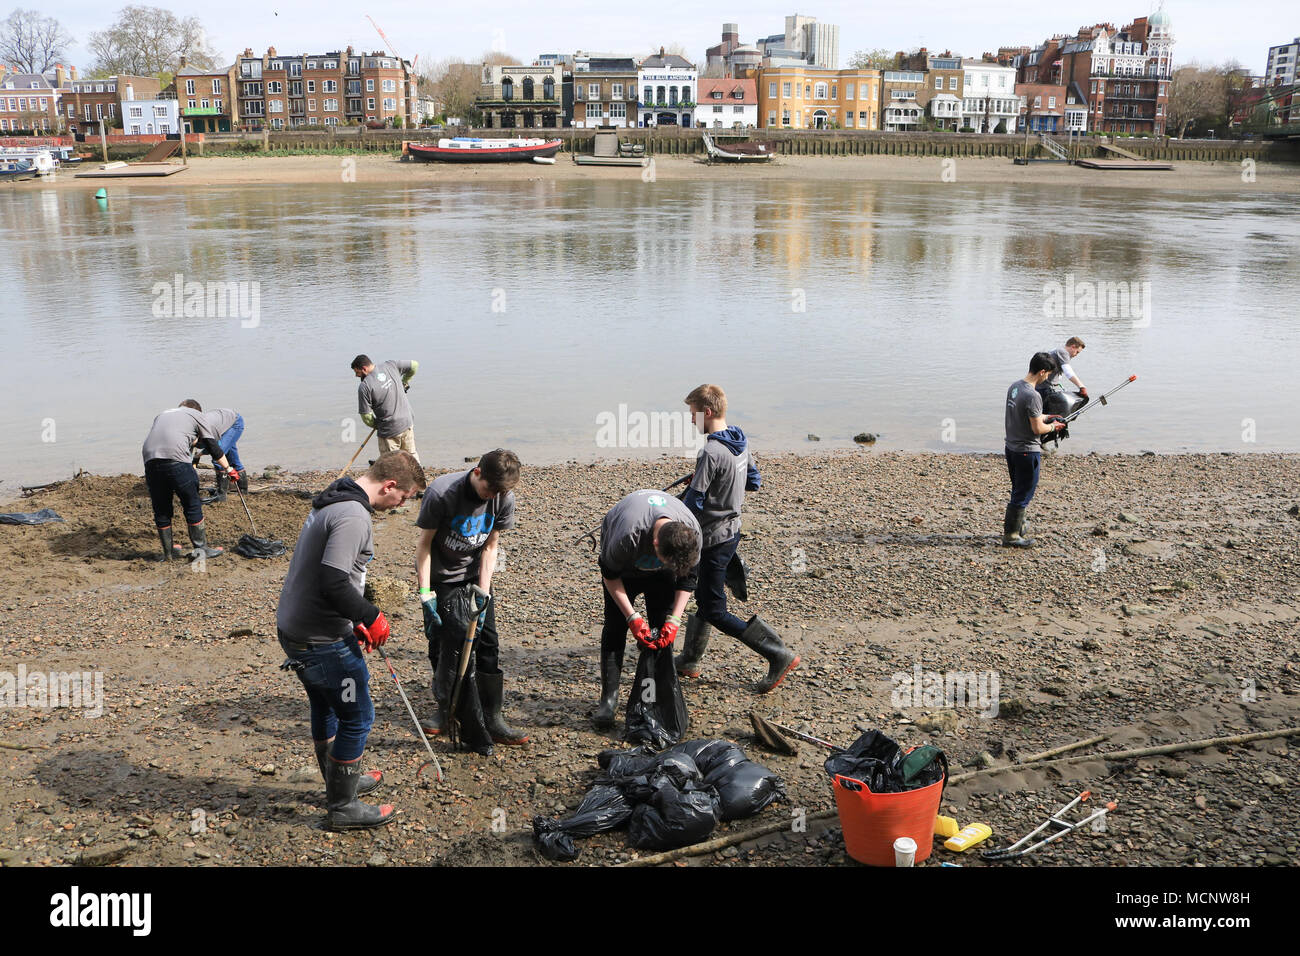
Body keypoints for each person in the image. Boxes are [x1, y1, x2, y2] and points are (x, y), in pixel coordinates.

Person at [276, 451, 427, 831]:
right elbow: (333, 581)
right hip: (320, 638)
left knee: (326, 706)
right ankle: (342, 806)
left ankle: (337, 780)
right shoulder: (353, 516)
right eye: (404, 497)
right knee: (357, 717)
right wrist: (370, 615)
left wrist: (352, 617)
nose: (400, 505)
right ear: (390, 486)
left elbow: (328, 579)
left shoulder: (335, 498)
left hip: (298, 627)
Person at [674, 384, 800, 693]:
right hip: (732, 533)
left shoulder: (711, 452)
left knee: (714, 609)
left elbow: (694, 504)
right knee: (705, 593)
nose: (691, 420)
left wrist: (673, 519)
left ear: (707, 412)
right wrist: (720, 481)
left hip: (712, 539)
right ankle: (690, 659)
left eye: (693, 414)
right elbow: (753, 481)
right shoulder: (739, 441)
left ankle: (777, 654)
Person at [414, 449, 527, 753]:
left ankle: (492, 716)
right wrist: (425, 593)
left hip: (475, 577)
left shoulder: (503, 497)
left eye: (499, 493)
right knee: (446, 643)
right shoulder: (442, 493)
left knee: (488, 642)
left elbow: (491, 546)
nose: (492, 496)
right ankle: (445, 707)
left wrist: (483, 592)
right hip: (441, 578)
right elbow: (424, 546)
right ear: (477, 473)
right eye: (489, 489)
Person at [593, 489, 702, 729]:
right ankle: (609, 699)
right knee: (615, 626)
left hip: (662, 577)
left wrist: (674, 620)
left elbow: (687, 580)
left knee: (660, 631)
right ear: (655, 544)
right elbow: (609, 576)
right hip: (624, 572)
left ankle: (655, 696)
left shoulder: (692, 535)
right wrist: (632, 617)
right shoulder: (627, 536)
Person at [142, 400, 240, 561]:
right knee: (192, 504)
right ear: (199, 411)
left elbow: (172, 437)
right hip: (176, 461)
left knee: (161, 508)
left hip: (150, 461)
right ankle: (201, 550)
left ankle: (168, 553)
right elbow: (212, 446)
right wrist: (229, 469)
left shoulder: (163, 414)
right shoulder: (198, 416)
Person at [1004, 353, 1068, 548]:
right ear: (1042, 372)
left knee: (1018, 488)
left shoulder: (1015, 387)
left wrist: (1048, 416)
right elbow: (1037, 429)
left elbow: (1029, 415)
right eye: (1047, 374)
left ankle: (1019, 526)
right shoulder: (1033, 395)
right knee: (1024, 491)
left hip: (1011, 448)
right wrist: (1054, 427)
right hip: (1027, 451)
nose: (1047, 378)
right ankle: (1011, 536)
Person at [352, 355, 420, 461]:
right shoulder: (391, 365)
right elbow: (414, 365)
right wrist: (404, 382)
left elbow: (366, 417)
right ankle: (417, 472)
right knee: (411, 458)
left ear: (364, 369)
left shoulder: (364, 387)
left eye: (357, 372)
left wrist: (377, 425)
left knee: (391, 463)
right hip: (407, 422)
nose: (356, 375)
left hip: (389, 431)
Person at [193, 407, 247, 504]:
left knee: (217, 459)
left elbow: (215, 449)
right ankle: (243, 490)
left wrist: (199, 455)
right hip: (225, 421)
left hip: (234, 424)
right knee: (232, 458)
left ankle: (221, 495)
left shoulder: (207, 429)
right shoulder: (194, 429)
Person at [1037, 336, 1088, 415]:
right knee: (1045, 415)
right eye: (1077, 352)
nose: (1076, 355)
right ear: (1073, 347)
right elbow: (1068, 372)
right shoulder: (1063, 352)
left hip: (1039, 387)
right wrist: (1082, 387)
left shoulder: (1057, 350)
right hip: (1043, 388)